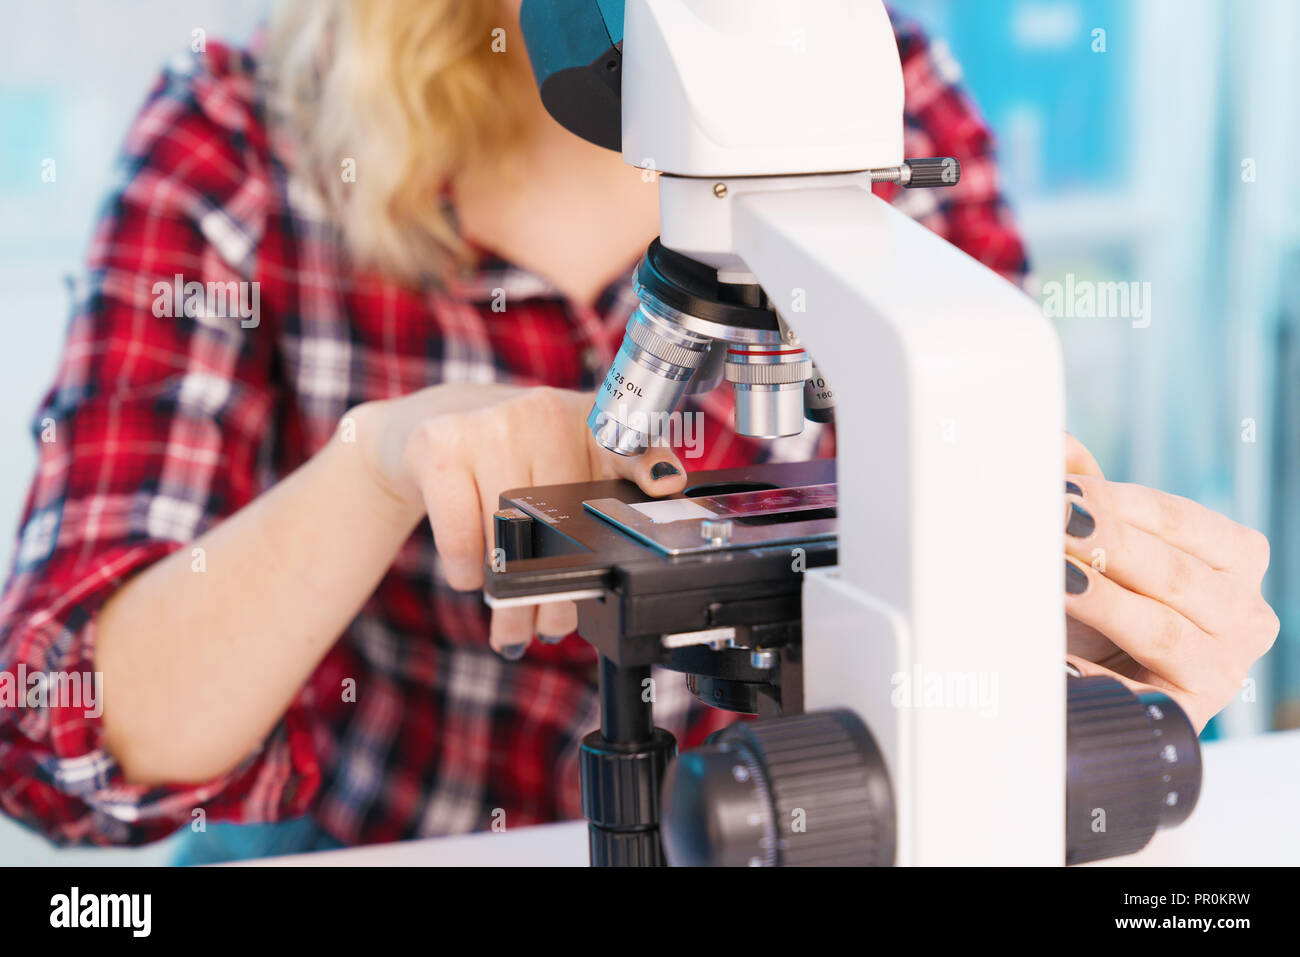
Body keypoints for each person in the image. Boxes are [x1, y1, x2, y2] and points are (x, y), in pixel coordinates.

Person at [0, 0, 1277, 862]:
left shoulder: (893, 82)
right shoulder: (236, 134)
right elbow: (63, 734)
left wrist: (1077, 628)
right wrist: (378, 466)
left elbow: (993, 504)